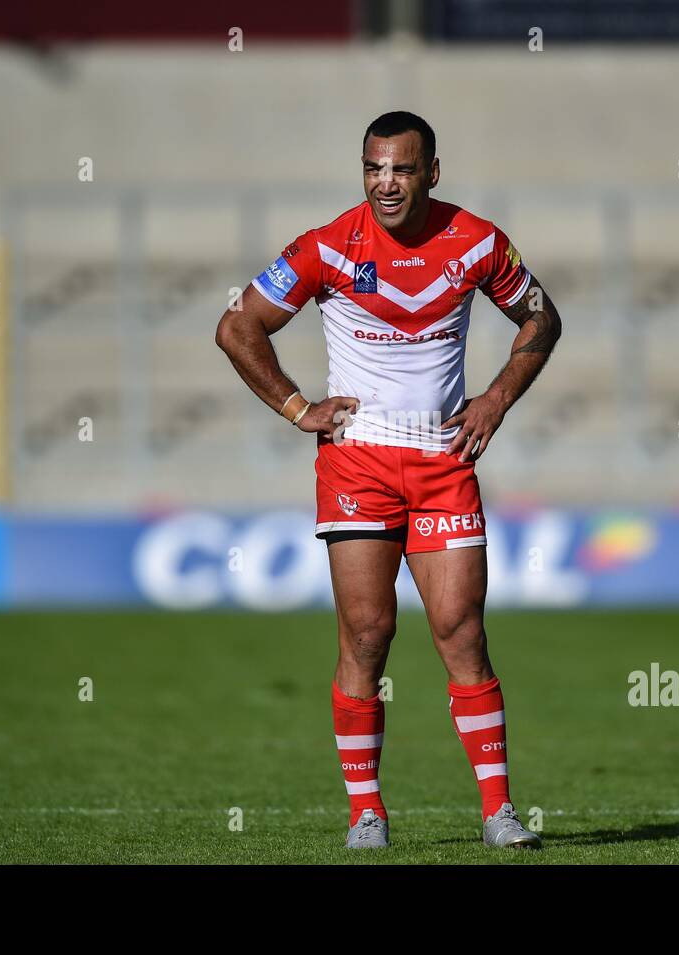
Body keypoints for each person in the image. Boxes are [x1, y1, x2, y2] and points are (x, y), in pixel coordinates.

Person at [215, 111, 562, 849]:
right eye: (374, 168)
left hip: (443, 460)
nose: (386, 183)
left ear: (432, 171)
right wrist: (297, 405)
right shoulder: (325, 247)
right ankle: (366, 813)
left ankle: (499, 810)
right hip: (358, 460)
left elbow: (541, 316)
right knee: (368, 634)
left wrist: (496, 398)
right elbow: (236, 326)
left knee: (461, 629)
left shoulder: (477, 241)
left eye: (402, 169)